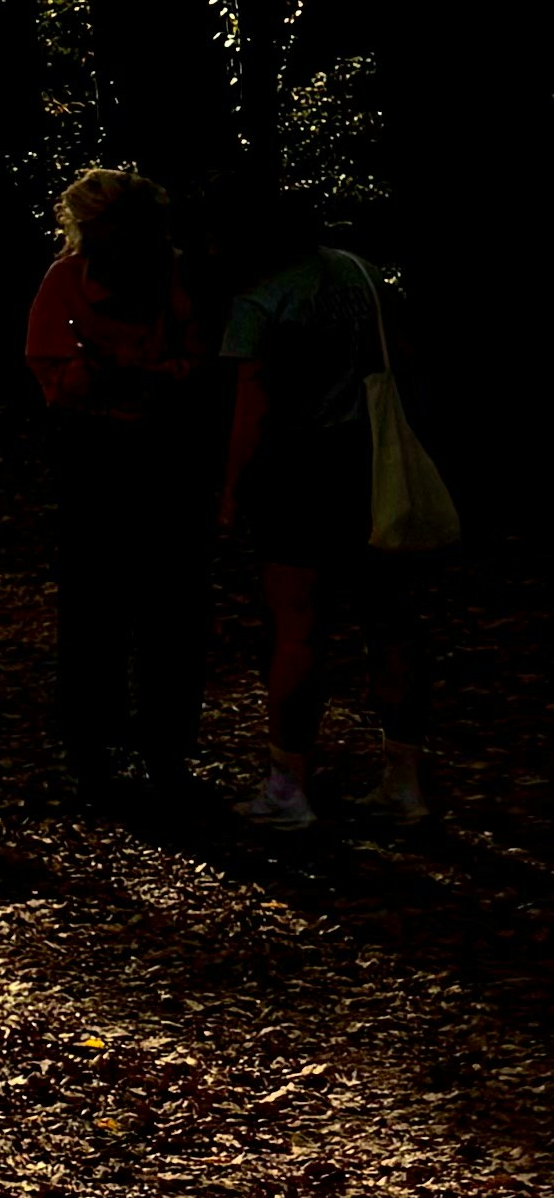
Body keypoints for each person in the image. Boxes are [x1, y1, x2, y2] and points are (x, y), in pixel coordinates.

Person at [219, 224, 431, 831]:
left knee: (297, 633)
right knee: (392, 627)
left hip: (299, 477)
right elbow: (411, 359)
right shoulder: (362, 274)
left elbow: (252, 402)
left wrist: (233, 490)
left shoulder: (259, 299)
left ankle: (288, 786)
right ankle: (403, 780)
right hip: (379, 468)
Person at [22, 165, 207, 804]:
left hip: (165, 452)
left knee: (169, 606)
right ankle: (93, 745)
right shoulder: (67, 278)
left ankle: (165, 746)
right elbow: (49, 367)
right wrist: (105, 379)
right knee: (95, 604)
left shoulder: (178, 273)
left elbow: (204, 359)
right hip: (97, 452)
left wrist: (150, 376)